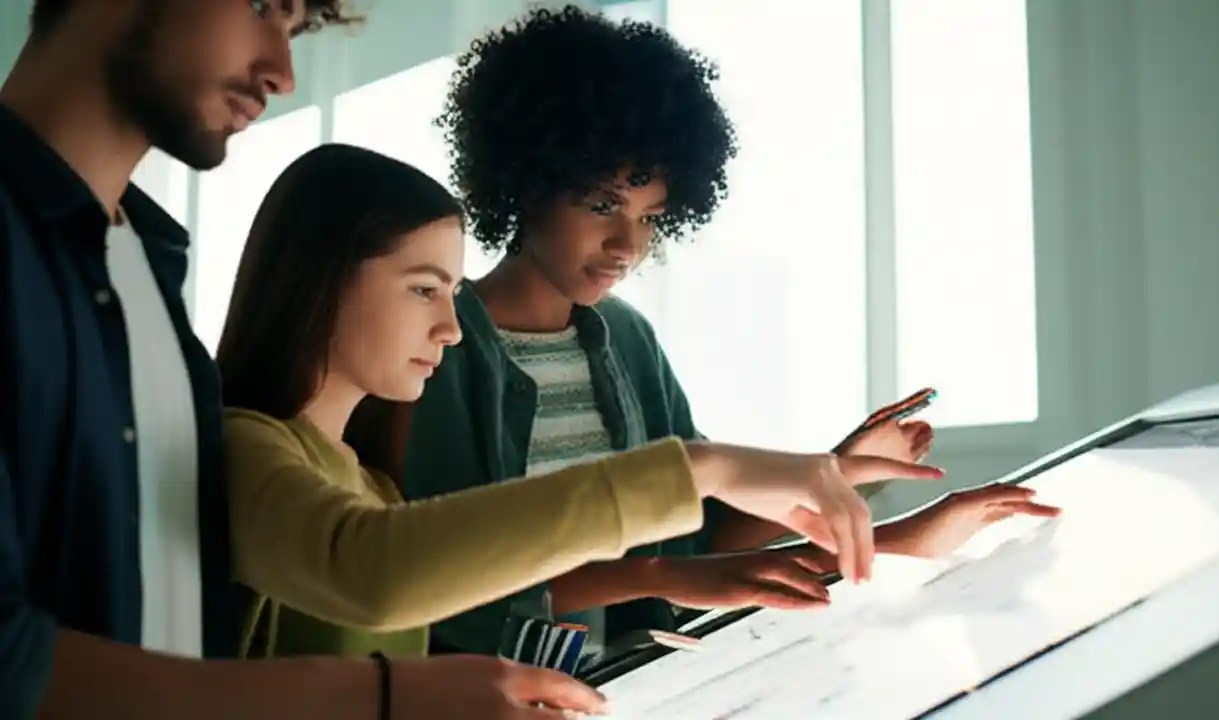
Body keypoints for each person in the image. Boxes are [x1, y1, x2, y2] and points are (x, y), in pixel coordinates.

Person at [0, 1, 879, 717]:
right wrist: (391, 697)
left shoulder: (147, 294)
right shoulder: (247, 430)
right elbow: (372, 567)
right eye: (265, 6)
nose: (282, 70)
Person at [380, 5, 1060, 660]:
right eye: (602, 205)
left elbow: (698, 543)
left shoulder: (628, 342)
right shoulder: (435, 350)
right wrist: (893, 539)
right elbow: (456, 585)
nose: (627, 244)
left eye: (650, 217)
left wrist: (832, 476)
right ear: (528, 182)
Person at [217, 143, 942, 661]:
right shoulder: (245, 449)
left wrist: (860, 497)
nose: (447, 324)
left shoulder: (363, 480)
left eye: (651, 217)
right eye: (423, 289)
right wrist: (697, 475)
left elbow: (693, 541)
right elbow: (394, 575)